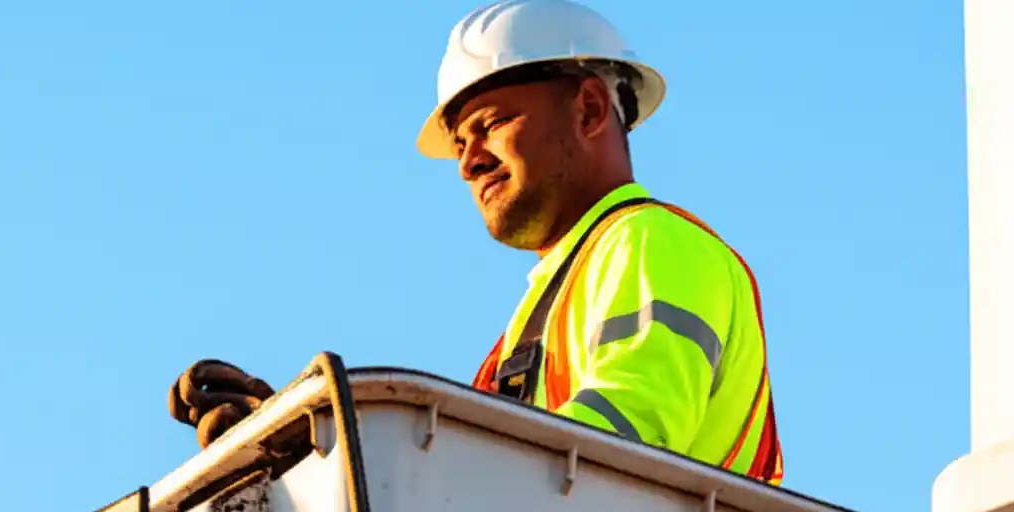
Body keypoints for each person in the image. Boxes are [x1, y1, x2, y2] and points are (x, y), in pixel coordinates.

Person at [170, 0, 782, 485]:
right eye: (460, 143)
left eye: (489, 126)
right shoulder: (545, 308)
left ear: (591, 110)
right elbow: (470, 479)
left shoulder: (652, 243)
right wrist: (307, 448)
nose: (468, 163)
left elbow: (614, 454)